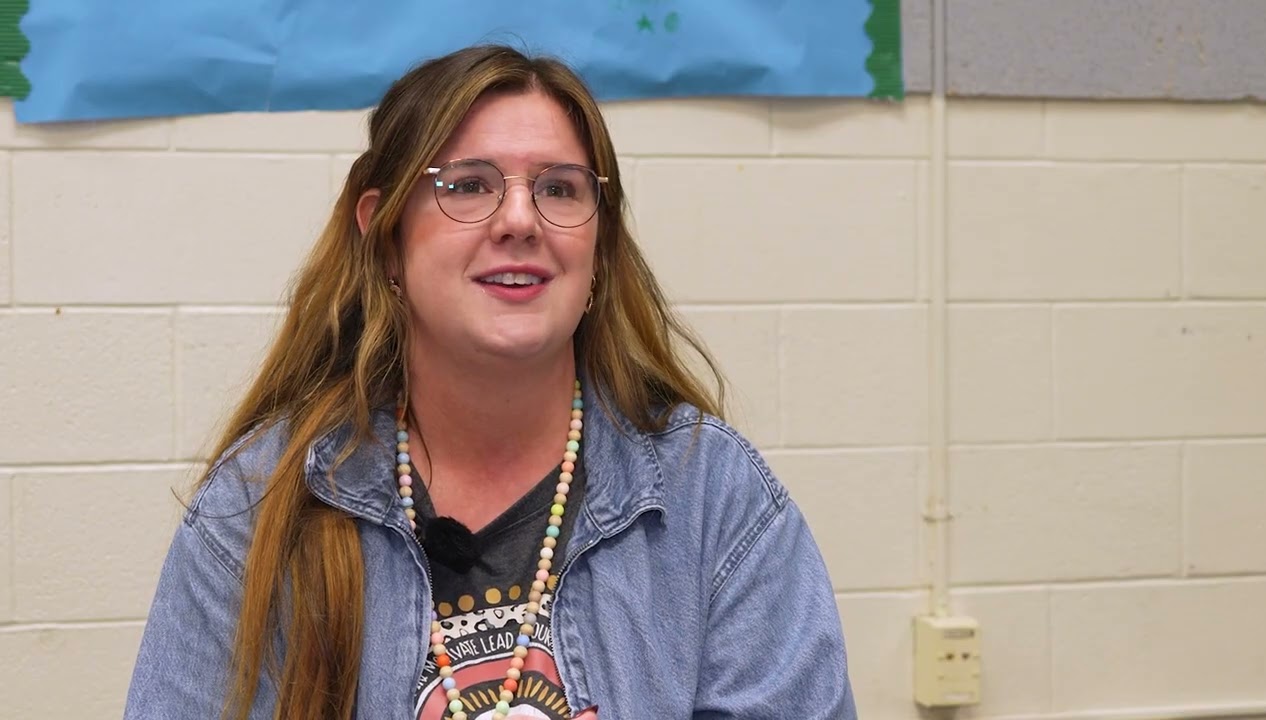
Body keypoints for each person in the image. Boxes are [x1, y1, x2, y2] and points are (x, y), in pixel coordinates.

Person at [124, 44, 857, 720]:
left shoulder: (713, 498)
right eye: (469, 185)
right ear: (385, 234)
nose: (519, 219)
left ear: (599, 250)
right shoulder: (259, 509)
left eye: (561, 190)